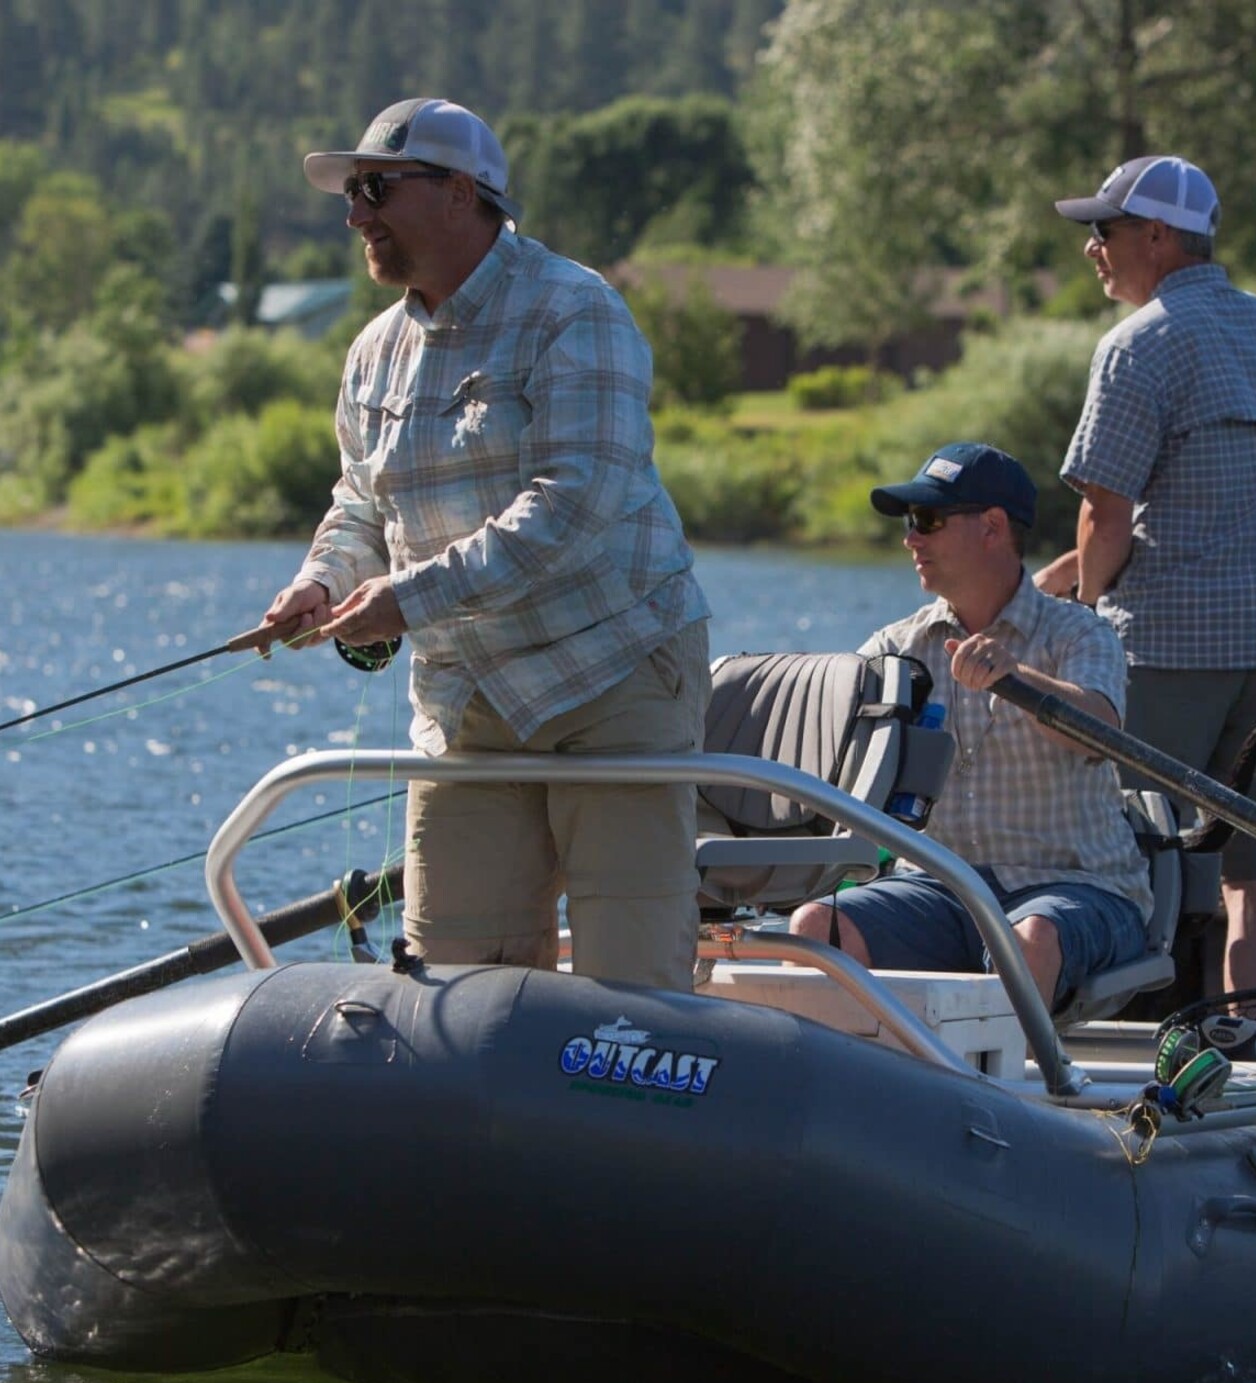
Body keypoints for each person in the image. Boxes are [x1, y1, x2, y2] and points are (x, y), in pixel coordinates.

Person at [261, 98, 711, 992]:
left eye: (376, 188)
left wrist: (405, 599)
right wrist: (323, 581)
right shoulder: (371, 352)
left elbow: (574, 509)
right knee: (454, 989)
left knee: (633, 993)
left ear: (462, 193)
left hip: (612, 678)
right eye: (352, 193)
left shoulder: (576, 309)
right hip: (466, 706)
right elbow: (359, 504)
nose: (356, 214)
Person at [1038, 155, 1256, 993]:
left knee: (1126, 850)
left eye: (1104, 230)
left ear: (1157, 237)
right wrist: (1054, 578)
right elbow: (1211, 508)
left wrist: (1079, 613)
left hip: (1175, 646)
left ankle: (1126, 1048)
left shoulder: (1137, 345)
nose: (1092, 249)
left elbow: (1106, 516)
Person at [788, 442, 1151, 1009]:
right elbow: (829, 749)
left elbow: (1099, 729)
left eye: (928, 521)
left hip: (1079, 889)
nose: (911, 539)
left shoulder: (1081, 633)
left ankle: (996, 1094)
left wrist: (1019, 680)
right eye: (910, 523)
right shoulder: (893, 648)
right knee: (815, 927)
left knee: (1028, 940)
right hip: (940, 889)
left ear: (992, 527)